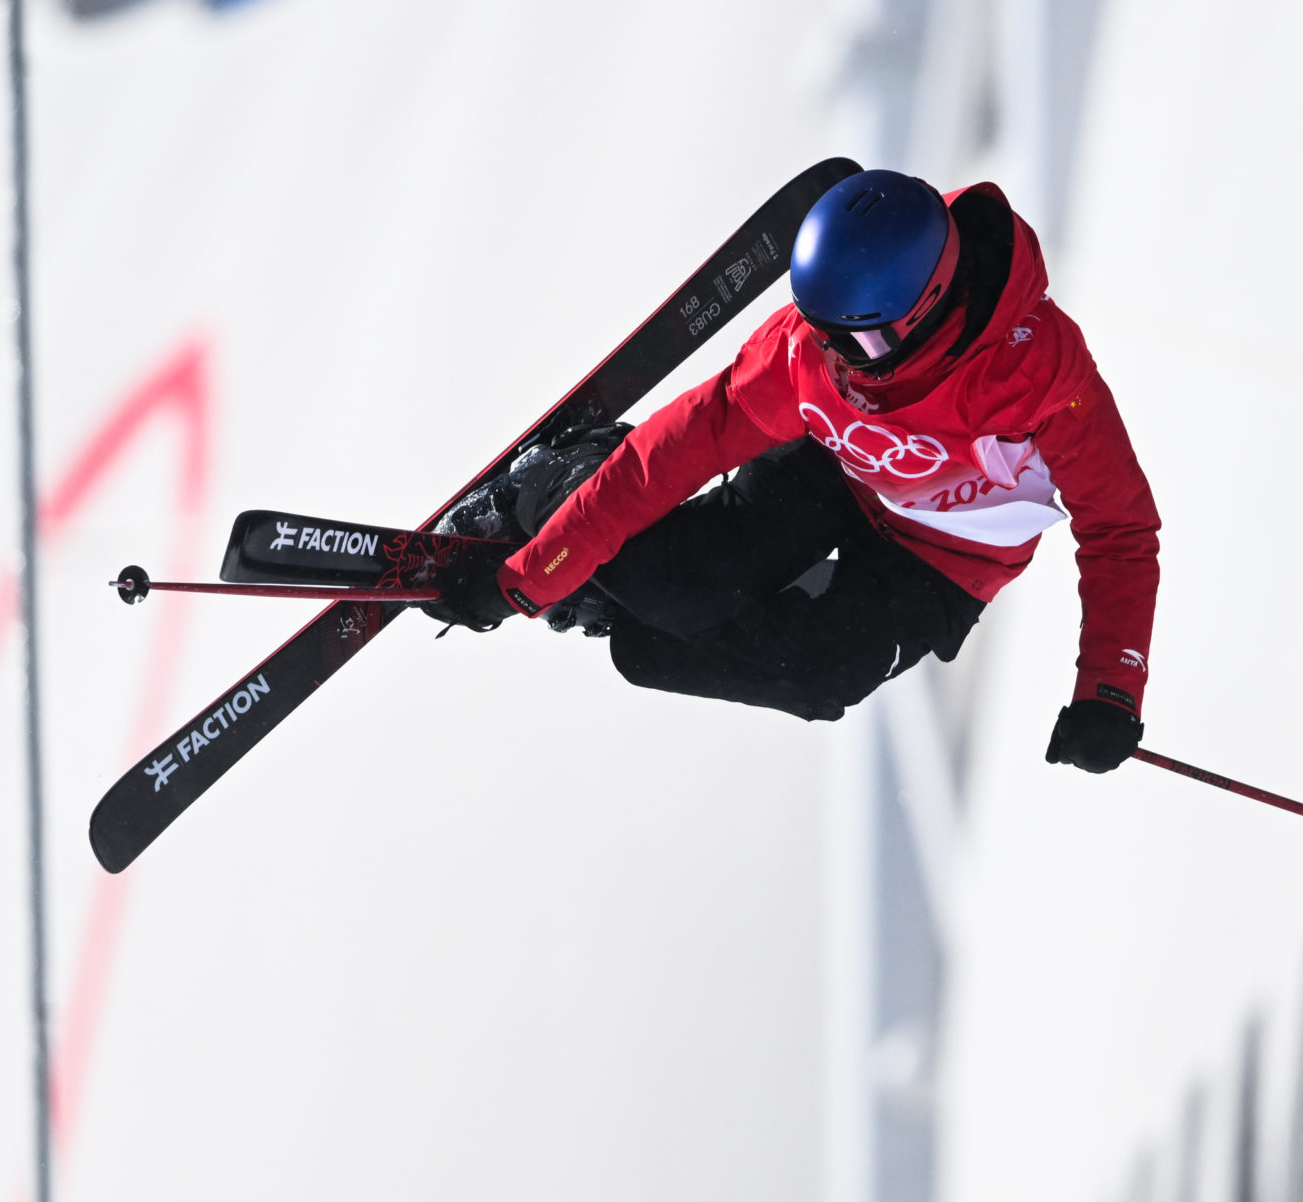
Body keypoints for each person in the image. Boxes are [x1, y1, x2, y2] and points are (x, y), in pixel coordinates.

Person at [428, 167, 1161, 774]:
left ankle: (620, 595)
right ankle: (550, 484)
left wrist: (1109, 690)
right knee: (673, 584)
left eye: (861, 343)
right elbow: (674, 454)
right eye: (822, 331)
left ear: (930, 306)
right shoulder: (811, 356)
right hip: (841, 472)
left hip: (947, 559)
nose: (841, 360)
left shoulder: (1040, 373)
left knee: (808, 673)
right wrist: (529, 576)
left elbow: (1120, 529)